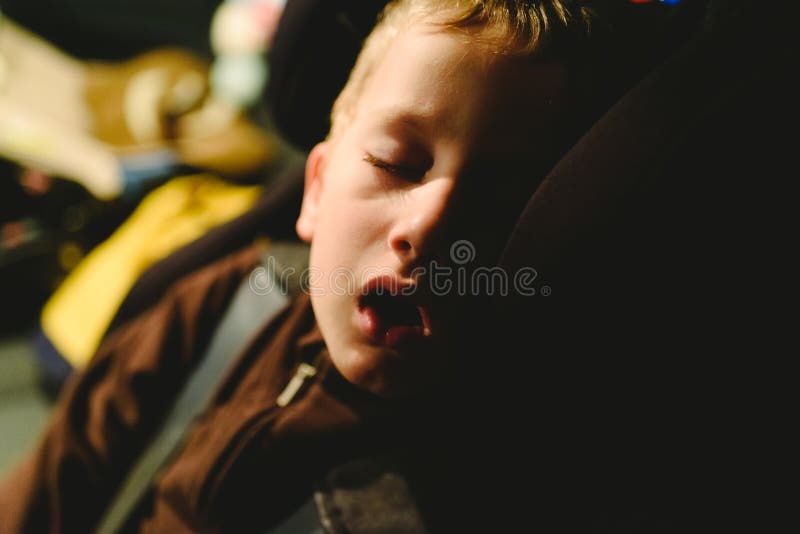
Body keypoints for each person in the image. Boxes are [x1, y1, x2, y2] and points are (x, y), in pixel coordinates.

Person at [0, 1, 648, 531]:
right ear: (314, 190)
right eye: (396, 162)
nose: (430, 224)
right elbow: (53, 483)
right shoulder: (228, 302)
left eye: (500, 202)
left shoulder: (485, 493)